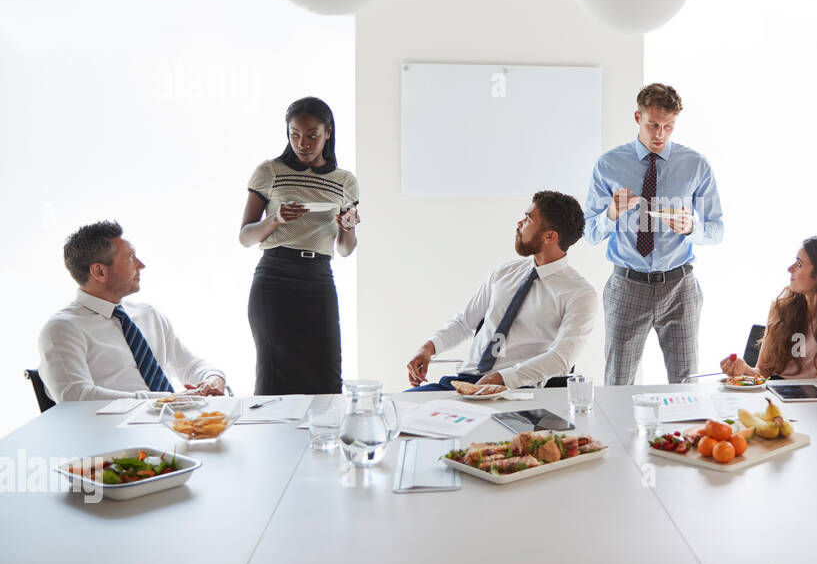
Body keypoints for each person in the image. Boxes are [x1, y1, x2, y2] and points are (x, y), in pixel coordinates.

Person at [584, 83, 723, 385]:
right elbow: (590, 233)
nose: (660, 134)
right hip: (626, 286)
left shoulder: (695, 165)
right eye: (653, 125)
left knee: (687, 383)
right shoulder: (608, 165)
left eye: (668, 127)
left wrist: (691, 228)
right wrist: (611, 214)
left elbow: (716, 230)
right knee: (617, 383)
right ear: (638, 118)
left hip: (680, 287)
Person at [406, 191, 597, 391]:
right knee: (398, 409)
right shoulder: (504, 272)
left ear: (550, 236)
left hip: (517, 390)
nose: (519, 223)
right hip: (465, 384)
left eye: (528, 219)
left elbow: (561, 359)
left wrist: (501, 379)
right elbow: (465, 322)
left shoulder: (580, 294)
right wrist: (428, 348)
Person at [240, 97, 359, 396]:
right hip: (274, 279)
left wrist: (347, 227)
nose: (302, 144)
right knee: (272, 380)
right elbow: (245, 236)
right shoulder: (270, 172)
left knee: (328, 378)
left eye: (311, 136)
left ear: (328, 132)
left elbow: (345, 249)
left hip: (318, 280)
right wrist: (276, 219)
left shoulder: (345, 181)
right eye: (294, 135)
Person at [38, 221, 227, 403]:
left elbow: (189, 365)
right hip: (112, 433)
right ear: (99, 272)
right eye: (130, 258)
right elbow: (75, 397)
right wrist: (168, 400)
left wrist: (213, 378)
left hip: (173, 426)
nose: (141, 265)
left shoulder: (149, 314)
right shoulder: (63, 329)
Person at [719, 236, 817, 392]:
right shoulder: (782, 308)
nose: (790, 268)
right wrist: (744, 369)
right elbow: (762, 373)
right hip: (775, 396)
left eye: (799, 264)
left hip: (816, 401)